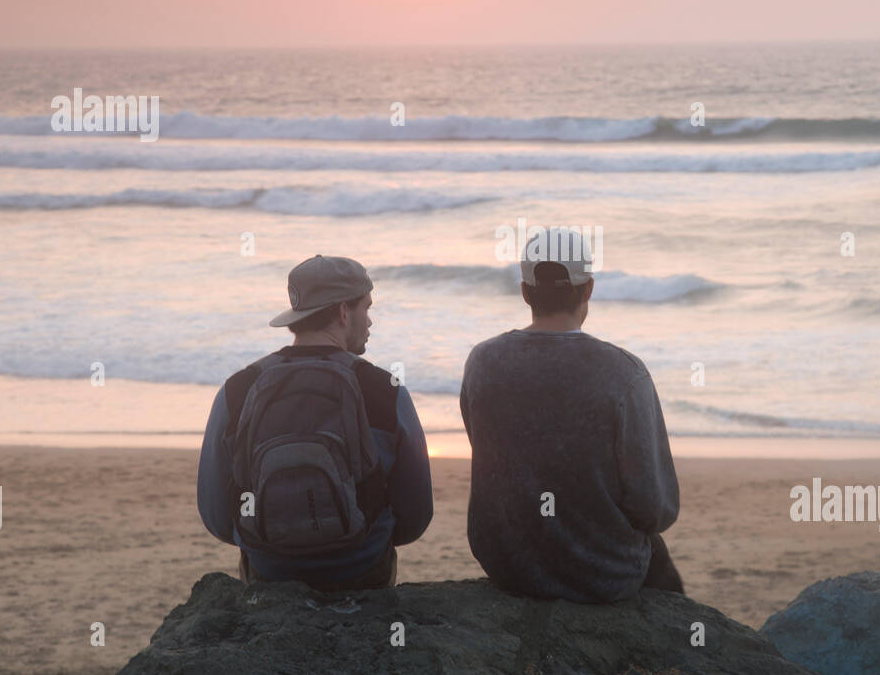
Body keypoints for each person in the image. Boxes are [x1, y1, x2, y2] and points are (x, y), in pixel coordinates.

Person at [461, 227, 682, 603]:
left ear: (525, 291)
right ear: (589, 289)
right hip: (601, 573)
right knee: (664, 573)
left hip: (507, 565)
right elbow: (654, 508)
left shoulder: (483, 361)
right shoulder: (625, 373)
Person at [198, 255, 432, 591]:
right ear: (342, 312)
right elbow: (415, 518)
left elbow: (217, 519)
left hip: (270, 570)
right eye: (366, 308)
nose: (370, 321)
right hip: (361, 568)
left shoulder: (238, 388)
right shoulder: (385, 389)